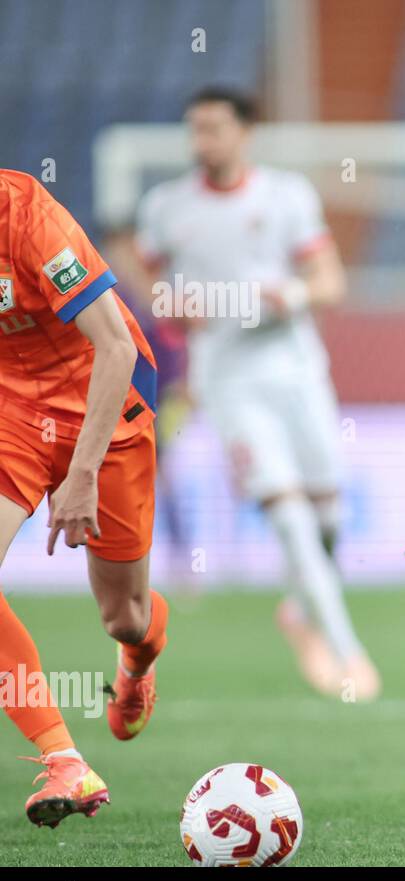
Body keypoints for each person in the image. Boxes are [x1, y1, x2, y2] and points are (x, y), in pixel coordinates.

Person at [134, 87, 379, 700]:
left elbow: (330, 281)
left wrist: (288, 298)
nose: (202, 141)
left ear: (245, 132)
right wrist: (173, 306)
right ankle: (348, 653)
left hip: (297, 371)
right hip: (228, 381)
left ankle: (299, 609)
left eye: (214, 128)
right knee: (289, 514)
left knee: (327, 515)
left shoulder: (287, 196)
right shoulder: (166, 207)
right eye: (195, 129)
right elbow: (153, 291)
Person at [0, 170, 168, 826]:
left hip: (103, 403)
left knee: (122, 615)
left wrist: (83, 473)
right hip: (12, 410)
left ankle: (137, 660)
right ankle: (64, 761)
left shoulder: (25, 213)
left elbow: (117, 345)